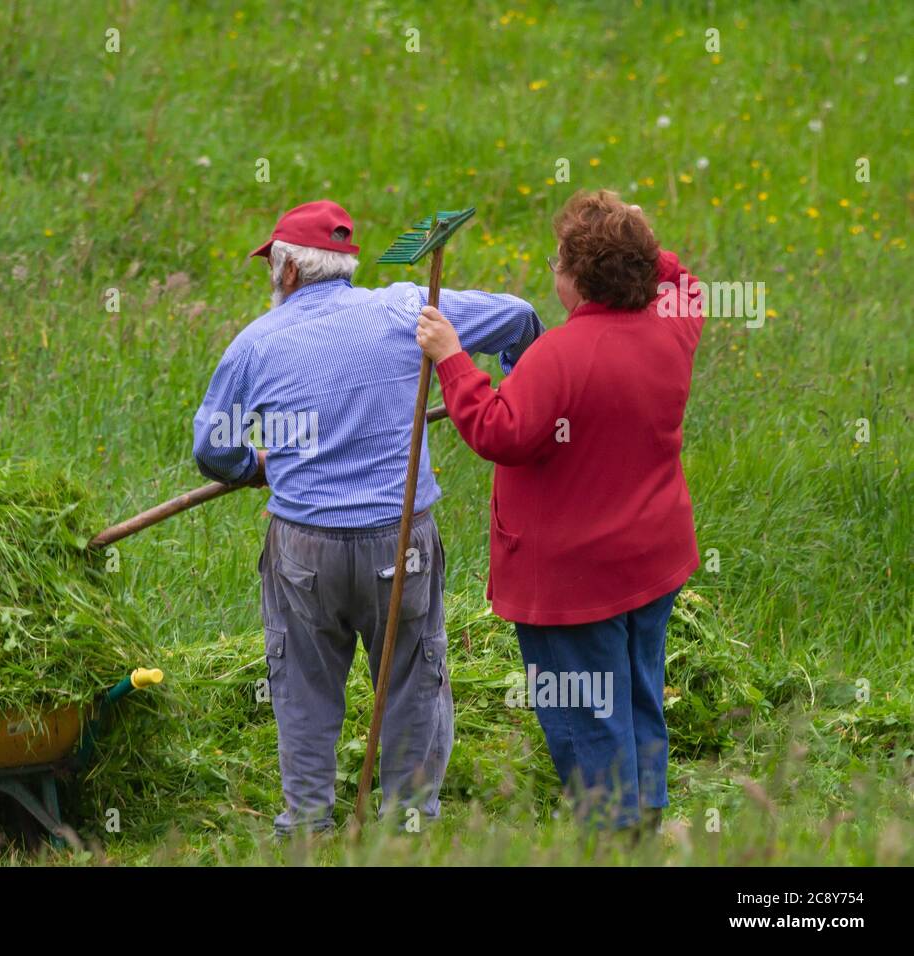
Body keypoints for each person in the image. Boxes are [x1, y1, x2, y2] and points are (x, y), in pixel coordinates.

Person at [192, 200, 543, 836]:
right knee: (413, 677)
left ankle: (305, 823)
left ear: (289, 273)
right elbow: (518, 318)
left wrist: (257, 465)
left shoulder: (253, 342)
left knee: (301, 684)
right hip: (398, 538)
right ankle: (406, 827)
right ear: (348, 267)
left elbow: (211, 449)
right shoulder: (405, 305)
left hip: (303, 548)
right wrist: (515, 393)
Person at [414, 189, 703, 831]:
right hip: (652, 561)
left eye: (558, 264)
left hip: (575, 580)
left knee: (584, 709)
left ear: (580, 279)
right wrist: (628, 233)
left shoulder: (560, 357)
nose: (554, 273)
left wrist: (452, 359)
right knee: (636, 690)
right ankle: (647, 813)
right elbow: (680, 274)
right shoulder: (675, 321)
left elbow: (499, 433)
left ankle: (610, 832)